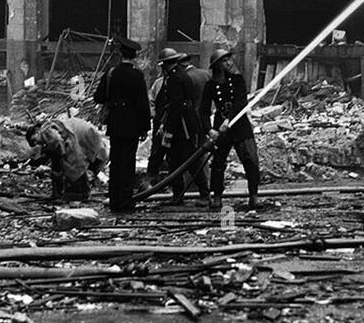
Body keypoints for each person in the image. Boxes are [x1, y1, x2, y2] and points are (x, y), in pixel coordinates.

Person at [93, 37, 150, 213]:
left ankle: (114, 202)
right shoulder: (137, 75)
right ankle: (126, 202)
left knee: (116, 162)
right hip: (132, 124)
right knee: (128, 162)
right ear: (134, 56)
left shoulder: (111, 73)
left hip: (115, 123)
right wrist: (144, 127)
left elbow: (98, 97)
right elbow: (142, 103)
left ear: (120, 54)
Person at [207, 47, 263, 211]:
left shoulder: (238, 80)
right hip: (221, 129)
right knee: (218, 163)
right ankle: (217, 197)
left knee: (251, 160)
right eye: (224, 61)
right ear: (217, 65)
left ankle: (254, 197)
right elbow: (203, 110)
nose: (229, 63)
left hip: (240, 126)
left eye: (229, 59)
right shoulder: (210, 86)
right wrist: (209, 130)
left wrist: (229, 119)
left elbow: (241, 102)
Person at [156, 48, 211, 205]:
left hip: (182, 127)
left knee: (190, 160)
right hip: (183, 125)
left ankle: (203, 194)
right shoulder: (181, 75)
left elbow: (175, 106)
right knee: (175, 161)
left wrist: (169, 130)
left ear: (166, 65)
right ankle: (178, 195)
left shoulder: (175, 79)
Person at [30, 116, 110, 202]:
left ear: (36, 131)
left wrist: (59, 155)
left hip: (82, 134)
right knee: (90, 160)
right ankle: (98, 187)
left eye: (34, 140)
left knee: (72, 164)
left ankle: (80, 193)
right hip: (88, 132)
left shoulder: (44, 130)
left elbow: (57, 142)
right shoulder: (52, 125)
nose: (37, 143)